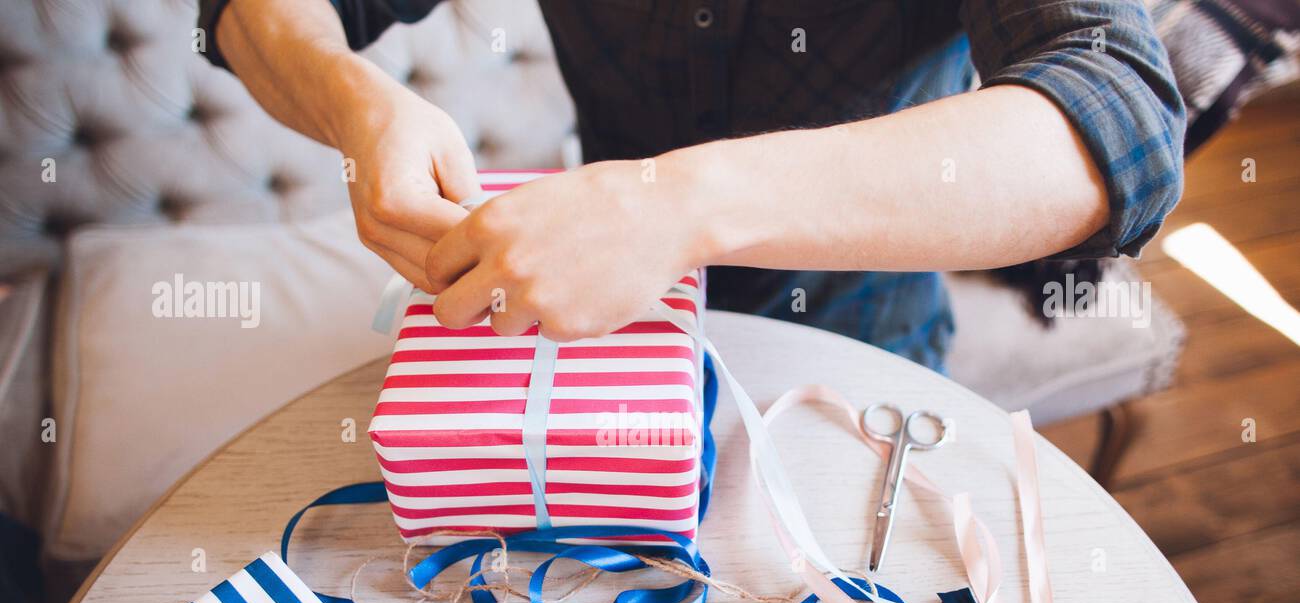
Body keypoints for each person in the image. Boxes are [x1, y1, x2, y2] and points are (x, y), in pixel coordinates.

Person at [197, 1, 1184, 369]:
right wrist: (360, 105)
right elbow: (250, 11)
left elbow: (1122, 121)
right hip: (587, 342)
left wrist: (677, 206)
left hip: (850, 356)